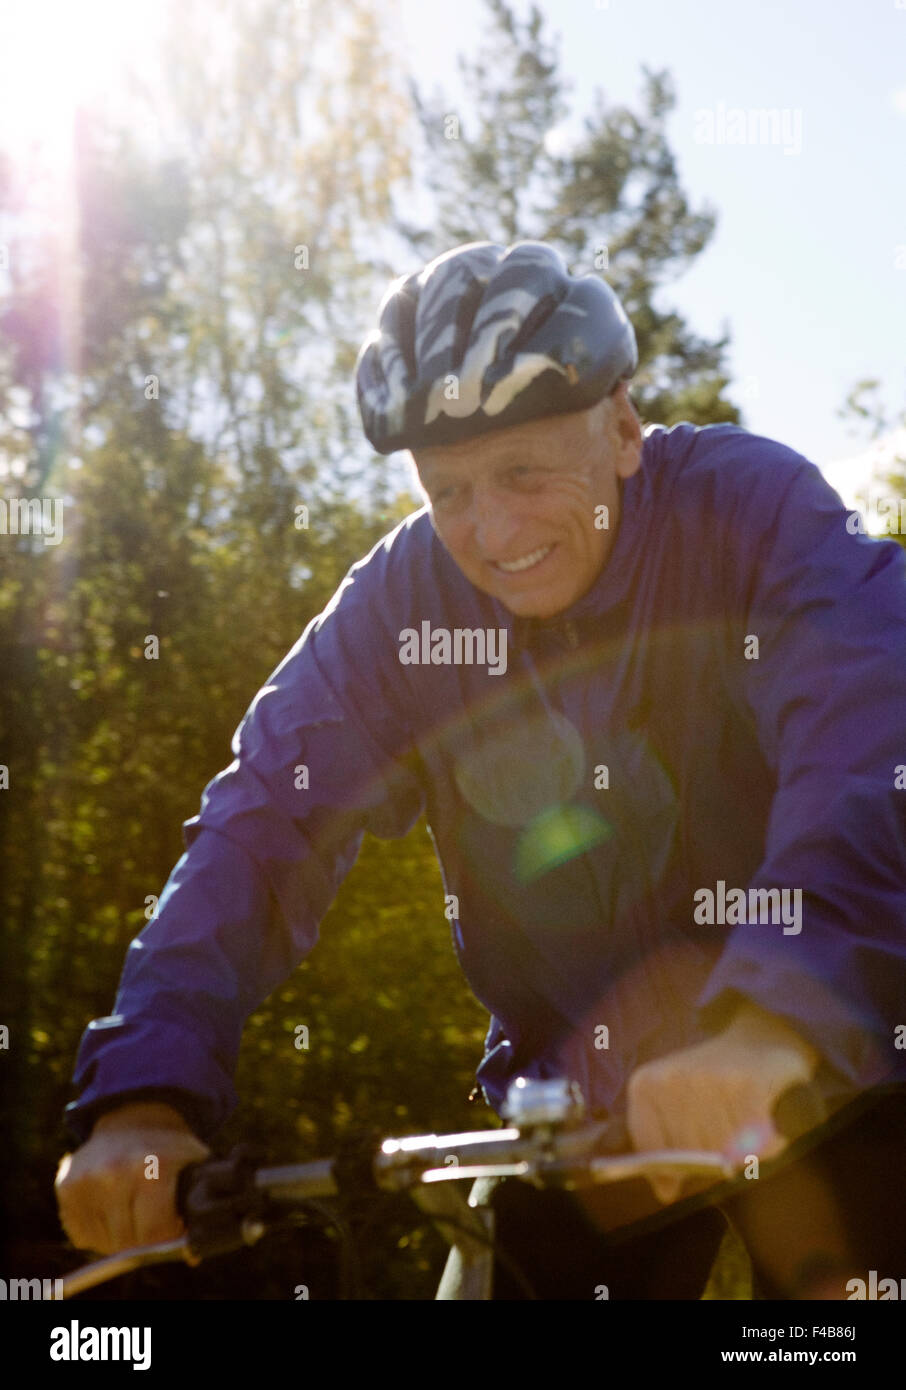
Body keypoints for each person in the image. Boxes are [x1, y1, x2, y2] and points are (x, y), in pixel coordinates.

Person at [55, 241, 906, 1299]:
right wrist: (146, 1094)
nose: (493, 532)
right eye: (448, 489)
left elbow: (868, 739)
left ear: (625, 430)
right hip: (577, 1117)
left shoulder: (748, 513)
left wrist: (780, 1013)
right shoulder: (400, 607)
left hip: (836, 1065)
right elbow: (260, 820)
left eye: (524, 473)